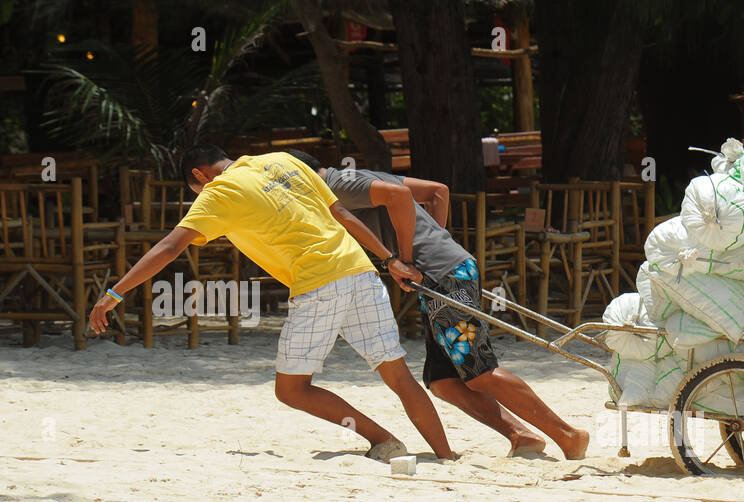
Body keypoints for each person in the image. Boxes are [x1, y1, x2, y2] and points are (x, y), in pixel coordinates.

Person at [88, 145, 455, 461]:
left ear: (200, 175)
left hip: (319, 282)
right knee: (398, 374)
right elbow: (342, 215)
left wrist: (114, 294)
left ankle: (383, 440)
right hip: (359, 268)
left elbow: (170, 246)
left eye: (195, 188)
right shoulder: (283, 160)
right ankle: (446, 455)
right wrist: (390, 259)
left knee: (292, 389)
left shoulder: (218, 193)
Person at [282, 150, 588, 459]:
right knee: (443, 382)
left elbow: (400, 196)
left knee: (481, 372)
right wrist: (436, 243)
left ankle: (569, 435)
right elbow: (437, 191)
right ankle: (520, 435)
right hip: (441, 271)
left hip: (445, 273)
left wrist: (409, 256)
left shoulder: (337, 185)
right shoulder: (360, 177)